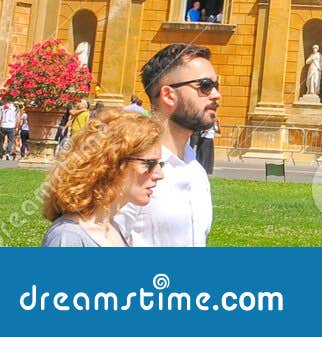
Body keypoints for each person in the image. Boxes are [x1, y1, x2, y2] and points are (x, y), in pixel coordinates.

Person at [115, 44, 220, 246]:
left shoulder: (195, 169)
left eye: (216, 86)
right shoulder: (131, 169)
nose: (216, 94)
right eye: (205, 86)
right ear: (168, 95)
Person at [40, 111, 166, 247]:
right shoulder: (69, 237)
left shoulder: (112, 228)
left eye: (160, 164)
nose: (160, 175)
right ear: (111, 164)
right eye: (150, 164)